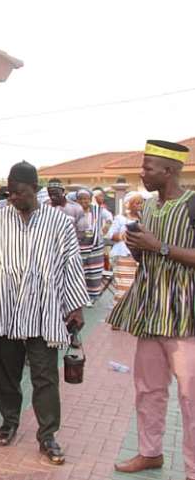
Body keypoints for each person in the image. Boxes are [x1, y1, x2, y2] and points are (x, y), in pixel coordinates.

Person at [0, 161, 89, 466]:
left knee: (45, 377)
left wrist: (75, 305)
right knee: (6, 374)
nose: (13, 198)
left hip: (44, 311)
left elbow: (72, 265)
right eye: (10, 193)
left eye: (20, 192)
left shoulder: (59, 222)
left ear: (35, 190)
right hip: (5, 309)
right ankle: (9, 421)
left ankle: (47, 434)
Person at [107, 140, 195, 480]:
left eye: (148, 168)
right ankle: (150, 452)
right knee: (147, 390)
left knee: (190, 398)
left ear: (169, 171)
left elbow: (168, 253)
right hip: (150, 313)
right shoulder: (148, 207)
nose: (142, 174)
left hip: (185, 317)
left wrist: (159, 247)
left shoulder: (192, 205)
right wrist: (139, 249)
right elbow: (151, 259)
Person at [107, 192, 144, 306]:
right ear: (129, 204)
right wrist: (125, 235)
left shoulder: (143, 218)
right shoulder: (120, 218)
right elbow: (111, 235)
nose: (139, 205)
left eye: (141, 203)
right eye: (136, 203)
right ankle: (119, 313)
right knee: (124, 288)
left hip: (138, 256)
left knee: (136, 286)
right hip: (123, 256)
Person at [75, 188, 109, 302]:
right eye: (80, 199)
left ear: (90, 199)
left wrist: (104, 230)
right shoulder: (74, 211)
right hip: (79, 247)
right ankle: (79, 298)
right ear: (77, 200)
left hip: (95, 248)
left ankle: (92, 297)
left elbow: (109, 219)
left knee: (94, 273)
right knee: (79, 273)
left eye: (86, 199)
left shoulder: (98, 210)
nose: (83, 201)